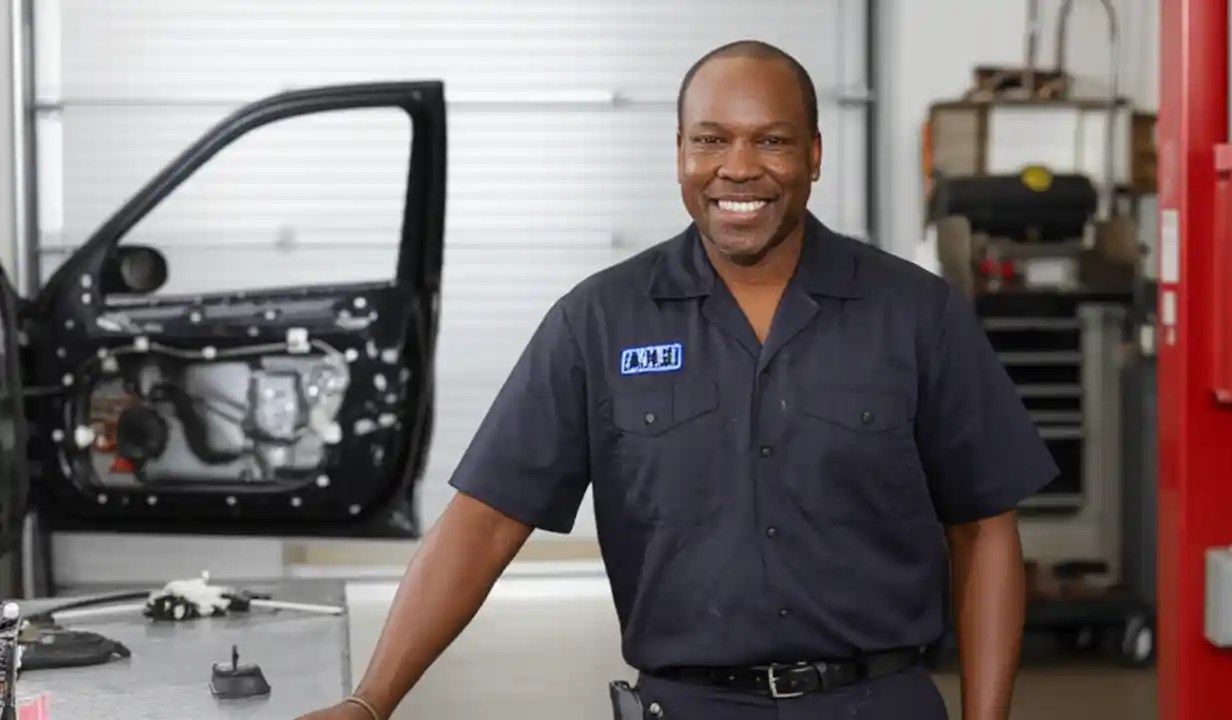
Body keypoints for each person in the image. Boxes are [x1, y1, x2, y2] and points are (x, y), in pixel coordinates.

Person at [299, 39, 1056, 720]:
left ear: (815, 154)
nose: (738, 168)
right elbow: (484, 522)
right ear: (680, 152)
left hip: (878, 704)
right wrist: (372, 702)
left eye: (772, 141)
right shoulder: (598, 320)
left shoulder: (917, 314)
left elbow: (984, 527)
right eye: (711, 140)